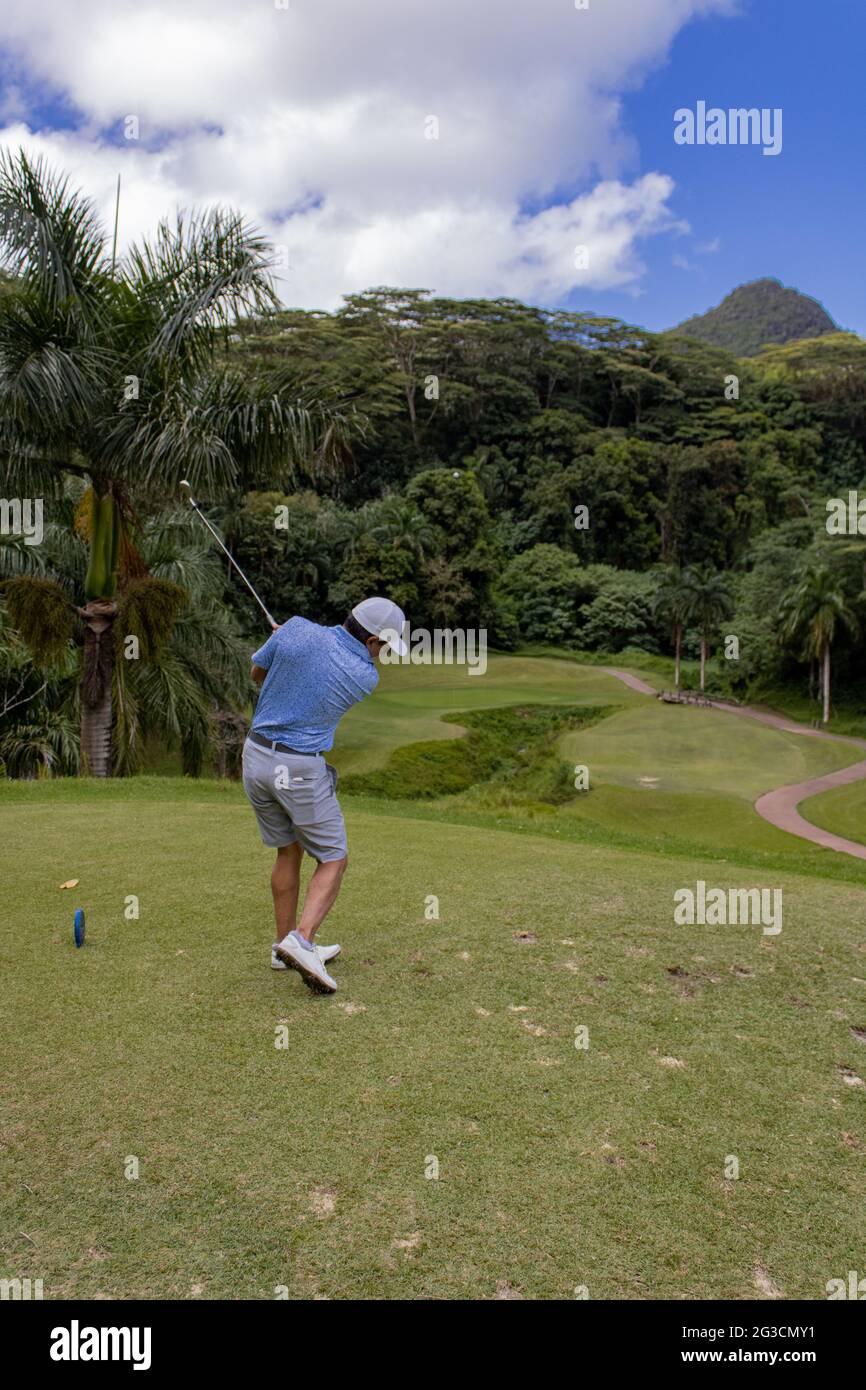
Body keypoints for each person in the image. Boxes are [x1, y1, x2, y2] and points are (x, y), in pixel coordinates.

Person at [242, 596, 407, 994]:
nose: (383, 655)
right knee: (333, 857)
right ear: (371, 641)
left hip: (255, 756)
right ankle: (301, 940)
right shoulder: (364, 676)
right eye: (385, 647)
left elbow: (256, 675)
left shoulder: (296, 628)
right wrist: (292, 647)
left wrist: (286, 643)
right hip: (298, 769)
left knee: (288, 850)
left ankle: (283, 947)